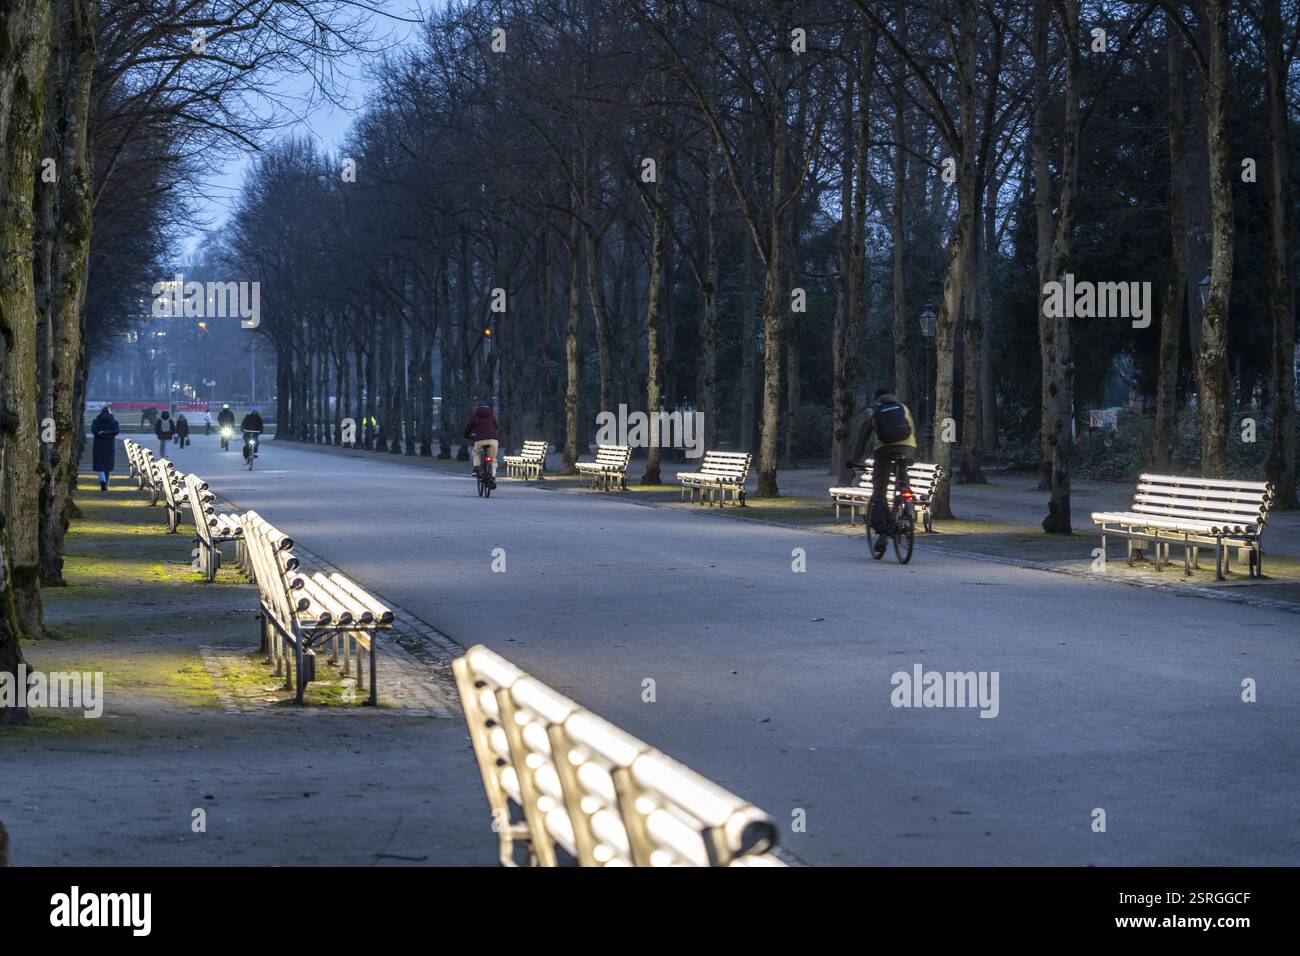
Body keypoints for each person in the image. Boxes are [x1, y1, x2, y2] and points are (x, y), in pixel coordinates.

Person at [849, 388, 917, 535]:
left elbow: (862, 440)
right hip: (908, 448)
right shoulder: (903, 408)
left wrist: (853, 460)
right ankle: (906, 500)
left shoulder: (872, 411)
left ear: (877, 399)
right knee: (902, 477)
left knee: (879, 489)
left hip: (884, 451)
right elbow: (911, 430)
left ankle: (882, 529)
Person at [463, 403, 499, 484]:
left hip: (480, 439)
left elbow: (469, 427)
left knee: (476, 452)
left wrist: (466, 435)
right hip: (492, 440)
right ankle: (493, 477)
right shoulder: (491, 416)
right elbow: (496, 426)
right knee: (492, 459)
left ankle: (476, 468)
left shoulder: (475, 416)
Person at [91, 404, 120, 491]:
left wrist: (101, 433)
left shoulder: (96, 421)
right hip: (109, 445)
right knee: (108, 465)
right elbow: (116, 431)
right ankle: (106, 483)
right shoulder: (114, 421)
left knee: (99, 465)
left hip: (98, 445)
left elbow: (94, 431)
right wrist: (108, 433)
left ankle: (102, 480)